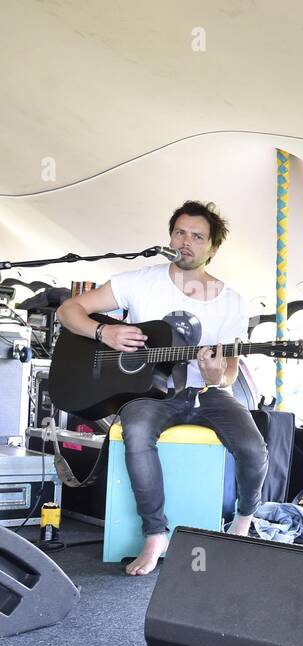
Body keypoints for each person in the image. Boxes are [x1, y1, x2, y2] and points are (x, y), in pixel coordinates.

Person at [56, 200, 267, 575]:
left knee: (253, 448)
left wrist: (217, 377)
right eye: (179, 233)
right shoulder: (136, 282)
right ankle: (155, 533)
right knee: (136, 431)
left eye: (197, 236)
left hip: (209, 394)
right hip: (149, 394)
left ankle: (243, 522)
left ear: (213, 248)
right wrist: (104, 331)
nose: (186, 242)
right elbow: (68, 311)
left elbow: (231, 371)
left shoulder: (232, 301)